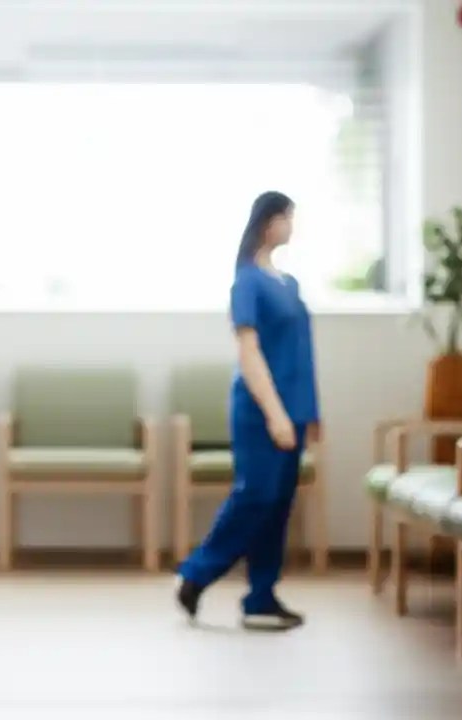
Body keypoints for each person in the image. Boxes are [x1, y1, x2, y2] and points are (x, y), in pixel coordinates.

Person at [175, 191, 322, 632]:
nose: (292, 226)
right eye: (288, 218)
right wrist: (275, 413)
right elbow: (250, 353)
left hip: (293, 407)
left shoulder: (288, 283)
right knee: (255, 497)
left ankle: (261, 596)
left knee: (278, 504)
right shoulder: (246, 283)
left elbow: (301, 353)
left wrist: (309, 412)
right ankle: (197, 574)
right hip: (260, 409)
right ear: (268, 222)